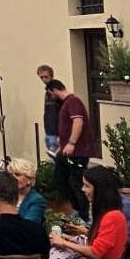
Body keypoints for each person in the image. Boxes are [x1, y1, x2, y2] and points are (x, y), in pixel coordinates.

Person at [48, 80, 91, 218]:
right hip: (66, 151)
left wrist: (72, 142)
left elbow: (78, 121)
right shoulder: (66, 104)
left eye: (51, 94)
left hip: (77, 151)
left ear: (54, 90)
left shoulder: (73, 101)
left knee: (76, 182)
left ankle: (82, 213)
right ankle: (74, 208)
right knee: (60, 179)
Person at [7, 159, 47, 224]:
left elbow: (28, 224)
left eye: (17, 175)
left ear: (30, 179)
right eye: (10, 175)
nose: (13, 178)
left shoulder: (37, 200)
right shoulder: (6, 195)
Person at [37, 64, 58, 154]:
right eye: (41, 77)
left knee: (55, 156)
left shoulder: (55, 90)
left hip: (55, 131)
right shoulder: (48, 92)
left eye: (46, 77)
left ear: (51, 76)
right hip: (49, 129)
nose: (44, 79)